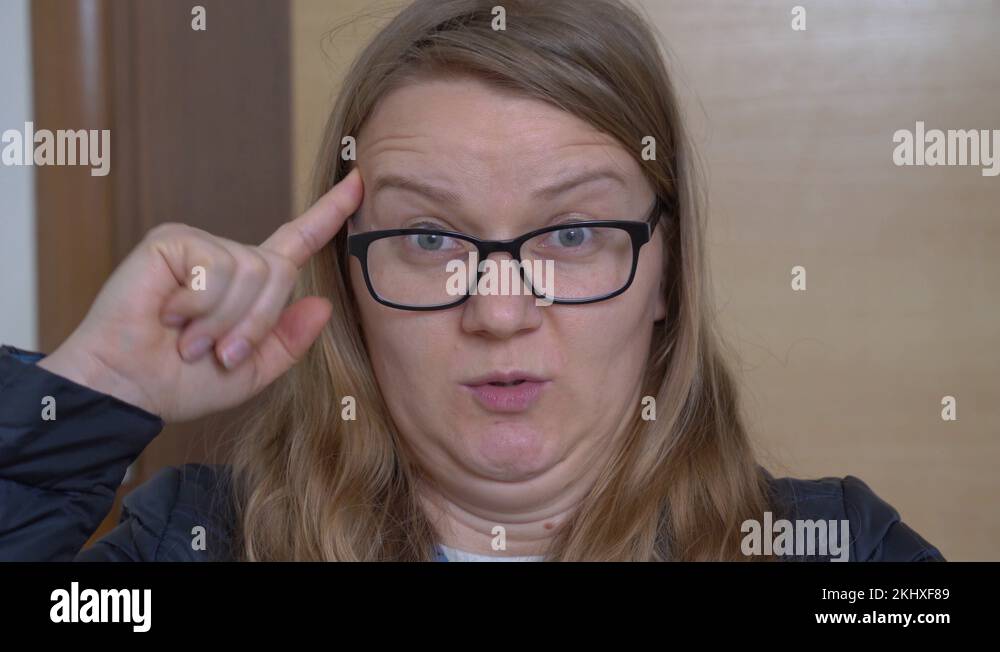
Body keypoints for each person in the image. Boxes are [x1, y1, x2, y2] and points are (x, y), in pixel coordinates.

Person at [0, 0, 943, 562]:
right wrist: (88, 401)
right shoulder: (194, 540)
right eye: (427, 237)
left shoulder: (840, 549)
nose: (499, 311)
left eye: (572, 232)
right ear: (347, 281)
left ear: (667, 272)